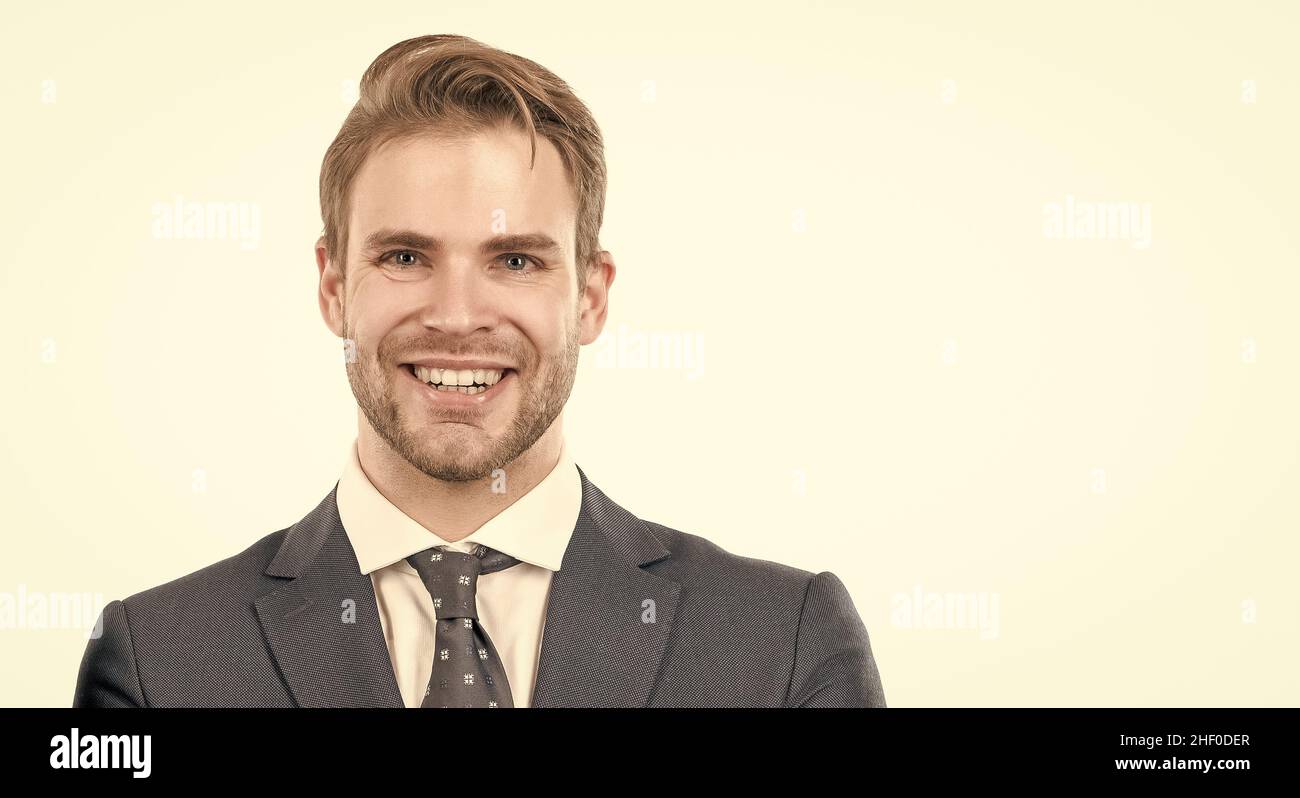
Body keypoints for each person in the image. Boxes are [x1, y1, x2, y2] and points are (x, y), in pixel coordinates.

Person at [73, 34, 885, 708]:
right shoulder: (156, 662)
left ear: (592, 296)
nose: (458, 316)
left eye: (517, 260)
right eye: (403, 255)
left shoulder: (782, 644)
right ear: (331, 288)